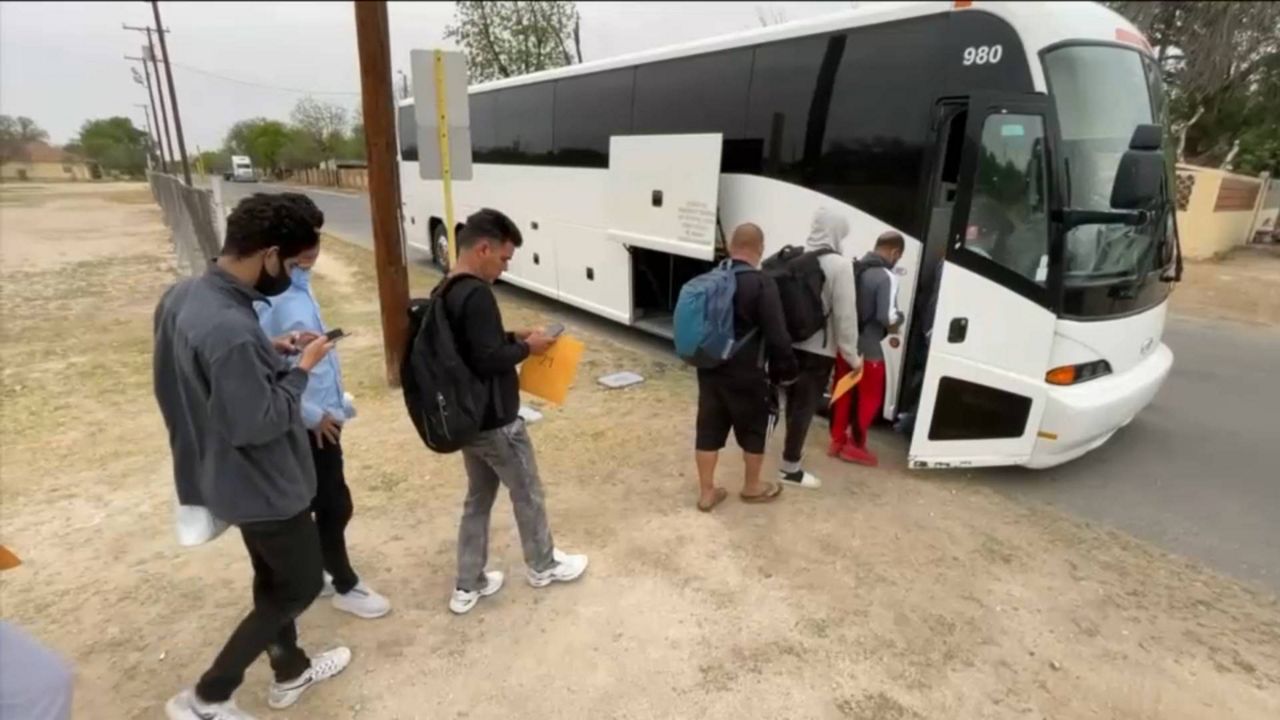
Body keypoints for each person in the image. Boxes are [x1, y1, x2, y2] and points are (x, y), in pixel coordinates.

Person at [154, 194, 351, 720]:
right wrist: (303, 367)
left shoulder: (185, 297)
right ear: (267, 254)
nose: (290, 276)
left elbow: (203, 380)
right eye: (289, 265)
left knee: (272, 579)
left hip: (224, 474)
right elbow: (258, 421)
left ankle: (289, 670)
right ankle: (208, 697)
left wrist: (274, 349)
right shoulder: (231, 330)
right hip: (264, 483)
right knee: (301, 584)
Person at [441, 208, 589, 615]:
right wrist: (529, 348)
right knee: (528, 492)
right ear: (484, 248)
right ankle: (542, 564)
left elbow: (472, 348)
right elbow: (488, 360)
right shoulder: (478, 294)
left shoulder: (448, 289)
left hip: (468, 420)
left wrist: (513, 335)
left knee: (478, 499)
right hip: (497, 422)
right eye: (504, 258)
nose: (505, 267)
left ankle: (468, 582)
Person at [255, 204, 391, 620]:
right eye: (306, 238)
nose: (314, 248)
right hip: (305, 420)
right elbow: (261, 368)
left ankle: (321, 572)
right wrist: (311, 414)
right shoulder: (268, 294)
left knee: (327, 500)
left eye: (318, 236)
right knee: (333, 503)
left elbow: (288, 348)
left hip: (324, 413)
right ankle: (341, 582)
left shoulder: (299, 282)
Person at [694, 224, 799, 511]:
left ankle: (706, 492)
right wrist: (787, 371)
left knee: (708, 429)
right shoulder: (763, 283)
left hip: (709, 368)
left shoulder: (711, 279)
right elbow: (778, 335)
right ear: (761, 248)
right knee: (753, 429)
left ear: (730, 246)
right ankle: (752, 487)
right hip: (748, 372)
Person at [779, 207, 862, 490]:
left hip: (791, 343)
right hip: (819, 351)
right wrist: (852, 356)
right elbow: (845, 315)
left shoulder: (796, 258)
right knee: (804, 408)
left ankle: (788, 453)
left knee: (791, 401)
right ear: (836, 231)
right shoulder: (840, 265)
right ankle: (790, 468)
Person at [832, 231, 905, 466]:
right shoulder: (886, 276)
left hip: (847, 344)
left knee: (843, 390)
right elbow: (887, 317)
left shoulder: (855, 268)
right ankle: (855, 446)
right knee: (870, 397)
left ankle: (837, 440)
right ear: (895, 253)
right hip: (871, 348)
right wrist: (900, 319)